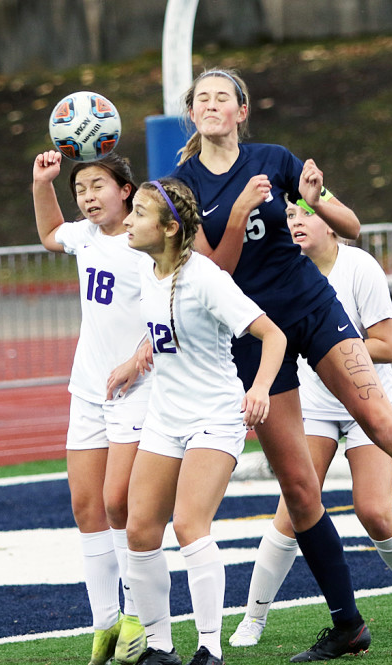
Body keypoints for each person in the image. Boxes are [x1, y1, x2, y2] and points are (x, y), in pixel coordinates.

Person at [169, 68, 392, 662]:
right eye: (203, 99)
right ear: (192, 114)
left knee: (380, 419)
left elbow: (349, 228)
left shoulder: (275, 159)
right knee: (300, 490)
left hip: (310, 306)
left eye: (224, 97)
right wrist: (241, 208)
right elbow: (213, 270)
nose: (213, 105)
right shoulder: (184, 184)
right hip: (253, 335)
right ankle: (348, 624)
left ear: (242, 110)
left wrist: (318, 193)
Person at [229, 198, 392, 649]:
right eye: (288, 217)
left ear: (331, 225)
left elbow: (386, 345)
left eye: (304, 214)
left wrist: (330, 346)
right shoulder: (284, 270)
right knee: (291, 509)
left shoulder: (360, 266)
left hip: (367, 400)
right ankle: (253, 619)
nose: (295, 223)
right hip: (314, 405)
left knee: (374, 511)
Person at [112, 177, 286, 665]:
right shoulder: (146, 269)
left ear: (169, 228)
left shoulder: (207, 278)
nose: (128, 220)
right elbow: (163, 330)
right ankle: (161, 648)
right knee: (140, 530)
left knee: (189, 525)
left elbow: (272, 336)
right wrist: (135, 357)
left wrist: (259, 389)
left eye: (139, 213)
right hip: (165, 417)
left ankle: (210, 649)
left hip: (214, 416)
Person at [32, 150, 148, 665]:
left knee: (120, 502)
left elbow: (168, 306)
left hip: (137, 388)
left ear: (125, 189)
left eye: (97, 185)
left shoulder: (146, 241)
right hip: (89, 390)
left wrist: (138, 359)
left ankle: (137, 615)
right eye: (81, 190)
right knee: (86, 507)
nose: (88, 197)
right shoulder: (83, 235)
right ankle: (104, 624)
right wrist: (43, 185)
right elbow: (50, 233)